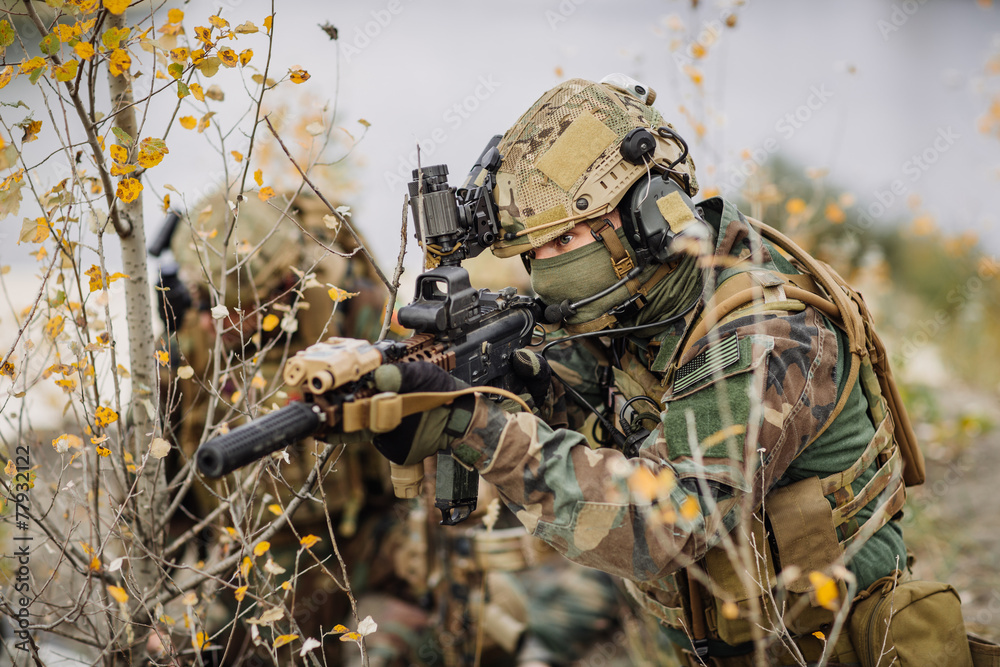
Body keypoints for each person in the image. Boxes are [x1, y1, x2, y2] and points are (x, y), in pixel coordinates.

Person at [366, 76, 990, 665]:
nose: (546, 270)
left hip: (834, 651)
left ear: (649, 215)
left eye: (564, 241)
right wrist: (477, 387)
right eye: (534, 251)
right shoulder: (639, 301)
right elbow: (592, 408)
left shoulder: (768, 333)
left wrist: (478, 427)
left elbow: (662, 526)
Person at [157, 191, 395, 665]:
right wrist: (156, 600)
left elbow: (416, 437)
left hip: (361, 541)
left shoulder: (349, 308)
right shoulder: (188, 343)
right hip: (243, 558)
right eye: (205, 303)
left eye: (234, 308)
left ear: (283, 288)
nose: (215, 321)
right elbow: (160, 484)